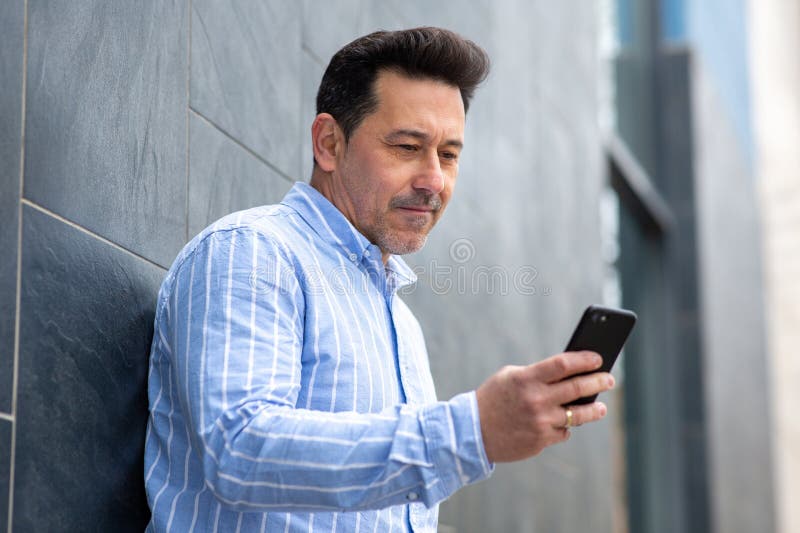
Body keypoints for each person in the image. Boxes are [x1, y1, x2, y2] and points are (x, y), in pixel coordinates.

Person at [144, 27, 614, 532]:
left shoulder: (400, 322)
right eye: (408, 146)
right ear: (329, 142)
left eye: (449, 154)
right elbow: (239, 450)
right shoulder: (252, 253)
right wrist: (470, 430)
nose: (434, 179)